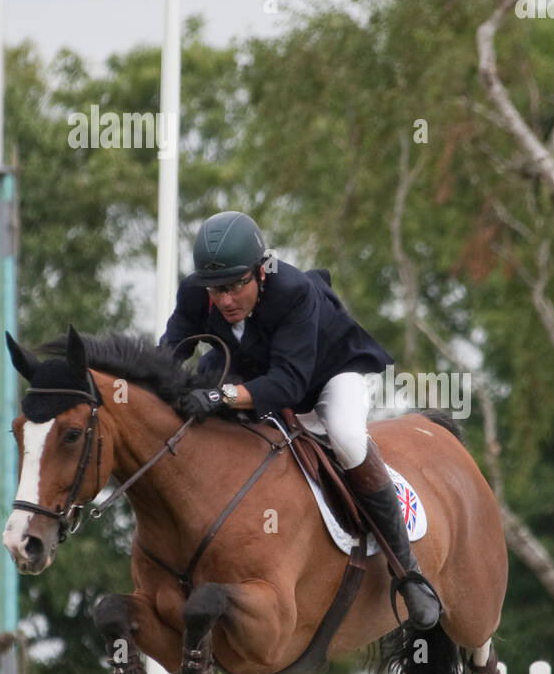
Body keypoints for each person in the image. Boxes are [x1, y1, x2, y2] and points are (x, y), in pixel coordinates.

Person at [161, 210, 441, 630]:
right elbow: (170, 353)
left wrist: (221, 395)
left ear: (259, 272)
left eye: (236, 286)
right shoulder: (196, 293)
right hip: (254, 369)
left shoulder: (292, 291)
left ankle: (408, 570)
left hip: (325, 375)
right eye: (215, 290)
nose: (225, 301)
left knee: (346, 437)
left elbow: (289, 385)